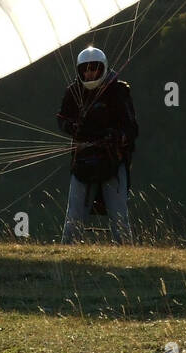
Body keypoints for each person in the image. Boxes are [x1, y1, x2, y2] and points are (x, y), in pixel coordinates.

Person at [56, 45, 138, 244]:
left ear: (103, 68)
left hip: (111, 161)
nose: (90, 72)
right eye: (85, 69)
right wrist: (73, 127)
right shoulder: (74, 91)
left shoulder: (118, 91)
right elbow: (62, 118)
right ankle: (67, 256)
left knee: (119, 216)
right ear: (79, 70)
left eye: (94, 68)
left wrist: (115, 136)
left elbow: (132, 129)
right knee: (74, 216)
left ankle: (126, 255)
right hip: (84, 162)